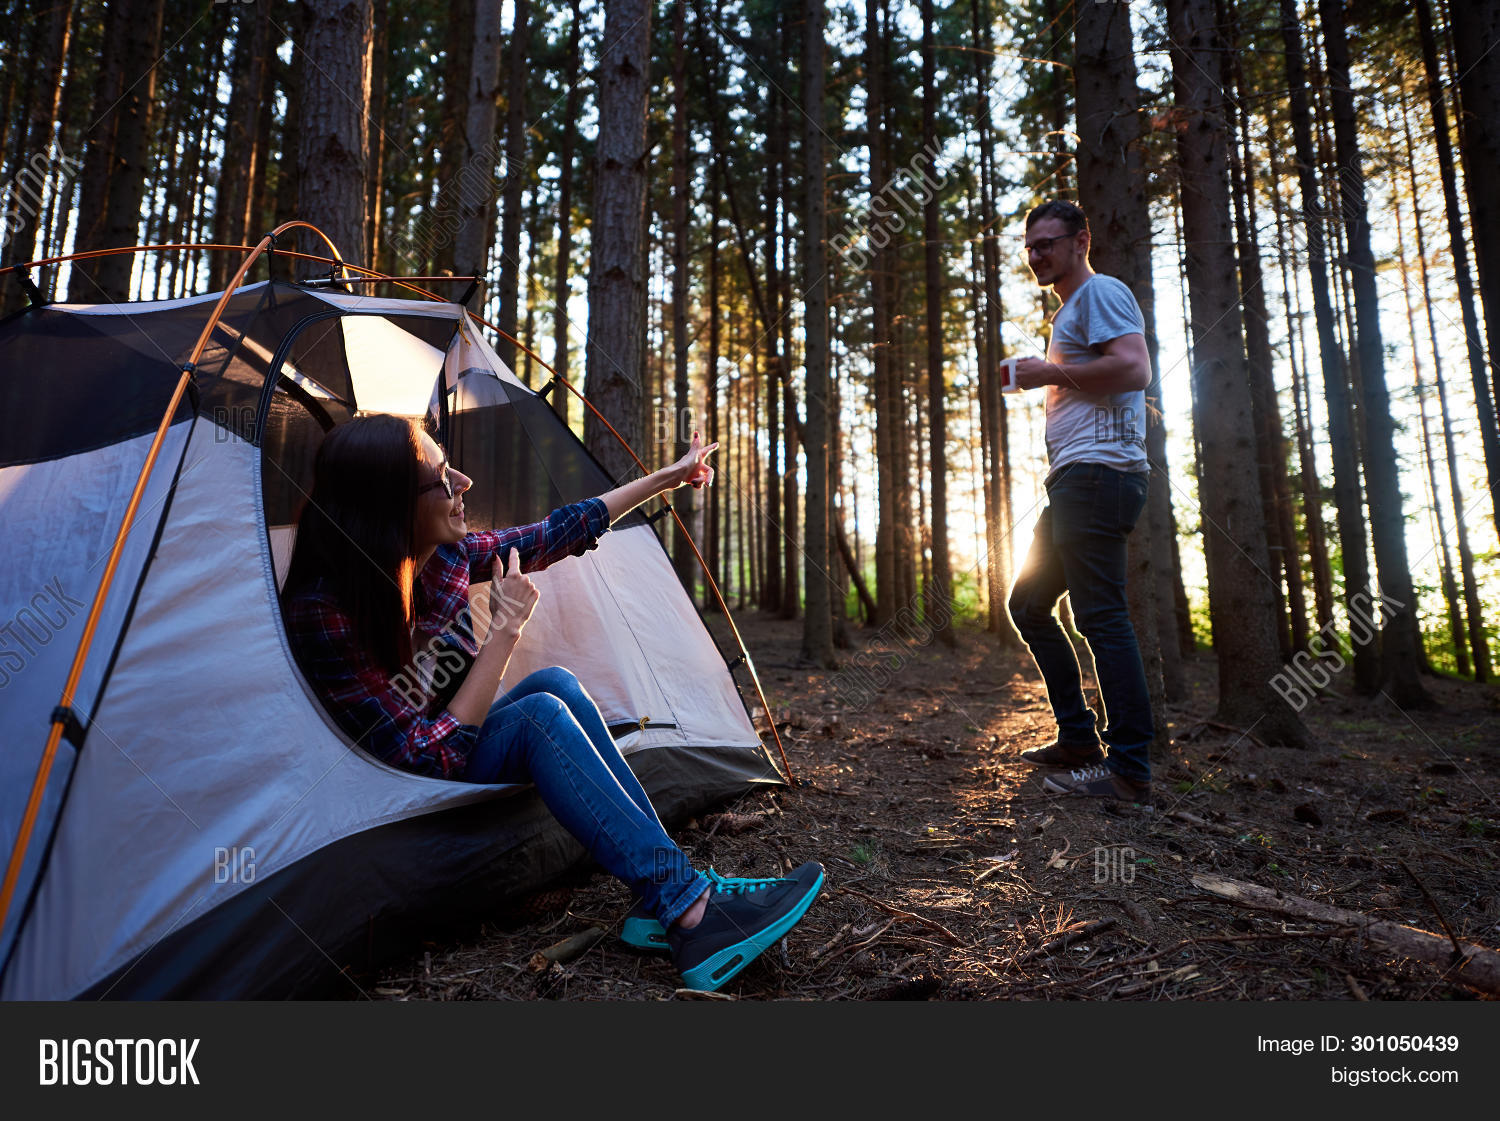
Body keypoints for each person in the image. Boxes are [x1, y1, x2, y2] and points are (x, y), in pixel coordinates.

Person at [281, 413, 823, 992]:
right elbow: (419, 757)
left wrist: (666, 478)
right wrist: (505, 632)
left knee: (558, 685)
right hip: (394, 783)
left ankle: (659, 896)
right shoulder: (324, 612)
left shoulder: (439, 558)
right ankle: (691, 911)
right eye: (443, 478)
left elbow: (556, 532)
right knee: (540, 718)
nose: (463, 483)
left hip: (441, 741)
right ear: (391, 504)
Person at [1007, 199, 1155, 809]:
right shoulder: (1073, 310)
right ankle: (1077, 740)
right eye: (1030, 246)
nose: (1037, 254)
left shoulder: (1100, 293)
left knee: (1102, 619)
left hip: (1099, 478)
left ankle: (1128, 771)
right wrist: (1048, 370)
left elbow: (1134, 367)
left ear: (1080, 241)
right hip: (1078, 481)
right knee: (1029, 602)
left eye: (1047, 243)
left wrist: (1047, 372)